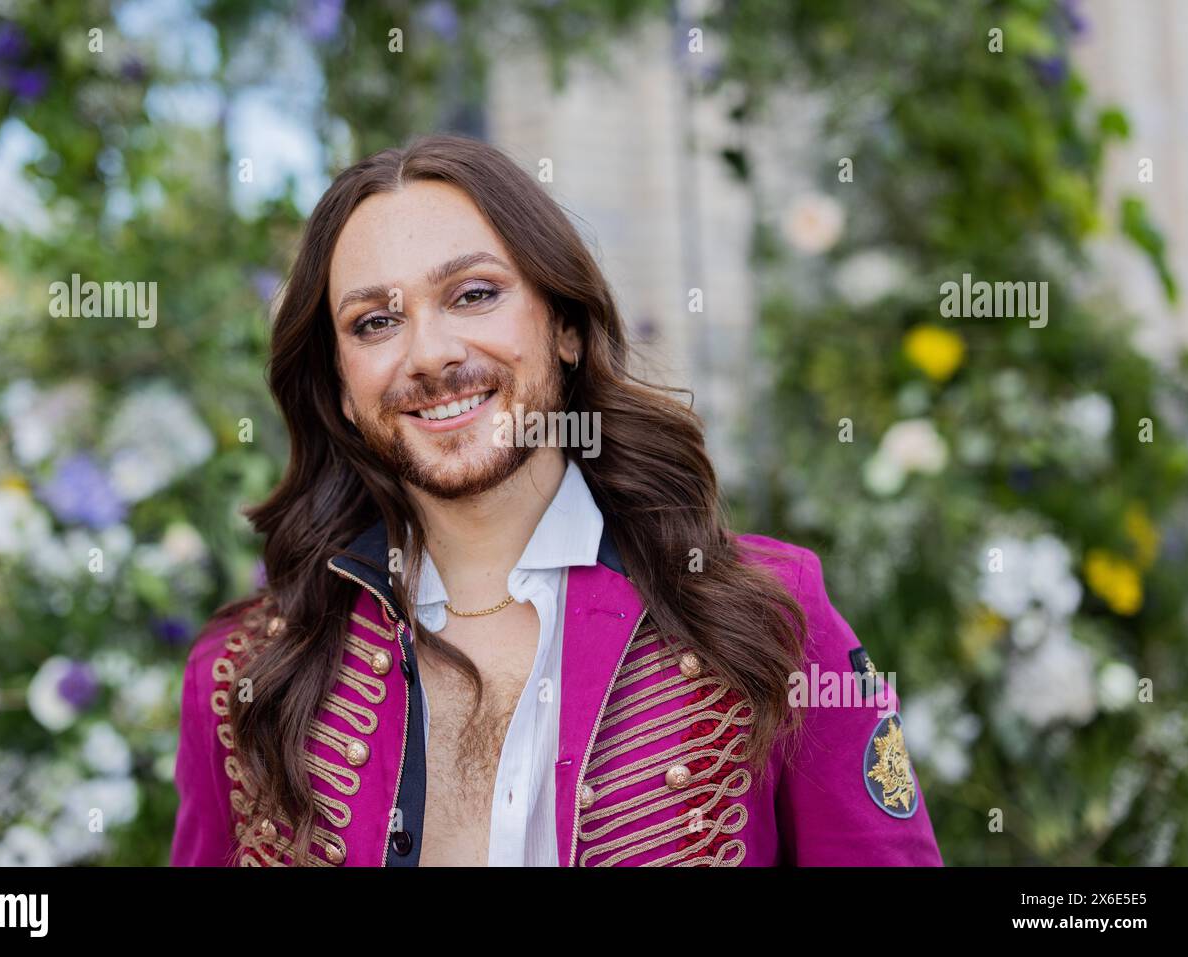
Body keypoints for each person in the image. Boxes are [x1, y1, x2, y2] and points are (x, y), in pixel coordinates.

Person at [169, 133, 944, 867]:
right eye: (375, 322)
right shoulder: (248, 673)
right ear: (339, 385)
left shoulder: (765, 618)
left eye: (473, 294)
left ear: (565, 325)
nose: (431, 353)